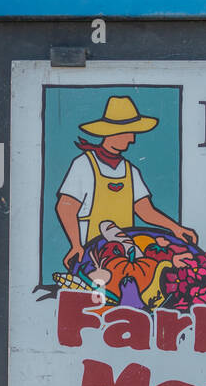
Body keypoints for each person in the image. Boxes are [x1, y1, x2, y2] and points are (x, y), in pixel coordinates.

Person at [55, 96, 197, 274]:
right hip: (92, 255)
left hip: (125, 254)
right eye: (128, 132)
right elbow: (66, 207)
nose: (132, 139)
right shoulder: (84, 164)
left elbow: (145, 210)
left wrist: (176, 228)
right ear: (111, 132)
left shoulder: (130, 170)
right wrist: (75, 245)